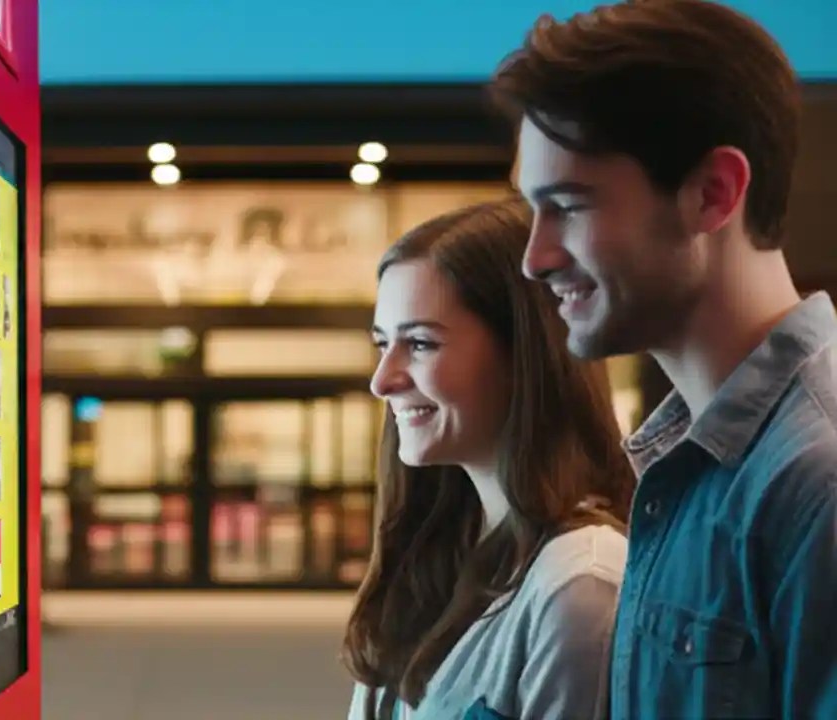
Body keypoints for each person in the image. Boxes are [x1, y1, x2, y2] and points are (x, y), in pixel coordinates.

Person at [492, 1, 837, 717]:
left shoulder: (816, 478)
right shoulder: (686, 463)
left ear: (713, 193)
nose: (536, 257)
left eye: (569, 205)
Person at [344, 198, 636, 720]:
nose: (382, 379)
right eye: (382, 343)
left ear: (524, 355)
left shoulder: (580, 583)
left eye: (420, 343)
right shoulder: (442, 552)